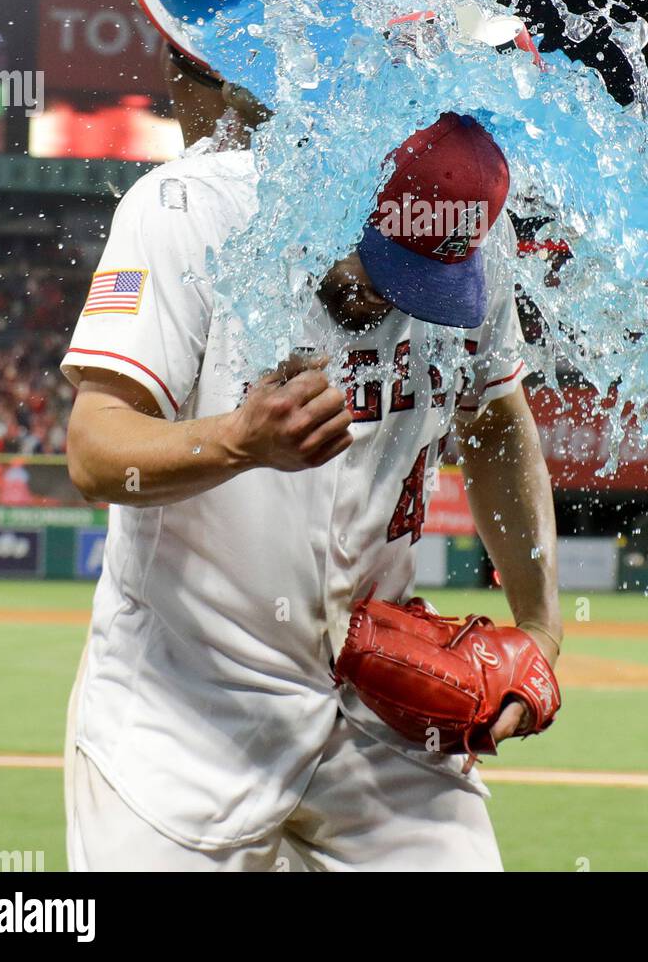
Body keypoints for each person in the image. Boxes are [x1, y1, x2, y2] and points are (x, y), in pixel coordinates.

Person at [61, 102, 562, 872]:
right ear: (333, 190)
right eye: (387, 265)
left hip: (377, 706)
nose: (401, 297)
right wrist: (237, 441)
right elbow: (95, 450)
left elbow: (497, 420)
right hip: (182, 712)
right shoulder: (188, 212)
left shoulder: (468, 241)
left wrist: (541, 630)